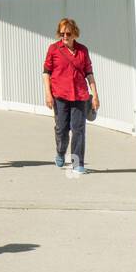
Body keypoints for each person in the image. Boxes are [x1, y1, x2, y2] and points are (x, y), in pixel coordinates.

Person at [43, 18, 100, 176]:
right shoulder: (54, 49)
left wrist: (95, 95)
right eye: (62, 34)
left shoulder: (83, 50)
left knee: (78, 130)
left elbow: (89, 73)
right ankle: (60, 152)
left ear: (75, 33)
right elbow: (46, 72)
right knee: (62, 129)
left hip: (79, 95)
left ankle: (77, 163)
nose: (65, 36)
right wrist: (48, 94)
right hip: (60, 95)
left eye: (68, 33)